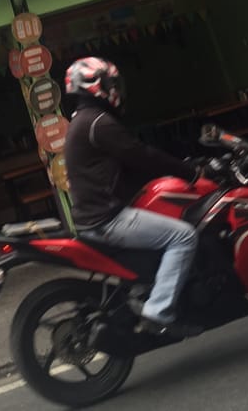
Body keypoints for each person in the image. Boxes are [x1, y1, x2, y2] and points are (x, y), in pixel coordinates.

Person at [64, 57, 200, 337]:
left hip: (93, 216)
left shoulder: (81, 120)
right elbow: (142, 156)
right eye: (111, 83)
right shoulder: (98, 123)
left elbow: (127, 164)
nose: (116, 89)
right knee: (184, 236)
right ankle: (158, 311)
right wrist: (191, 172)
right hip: (107, 219)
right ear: (96, 86)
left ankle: (149, 290)